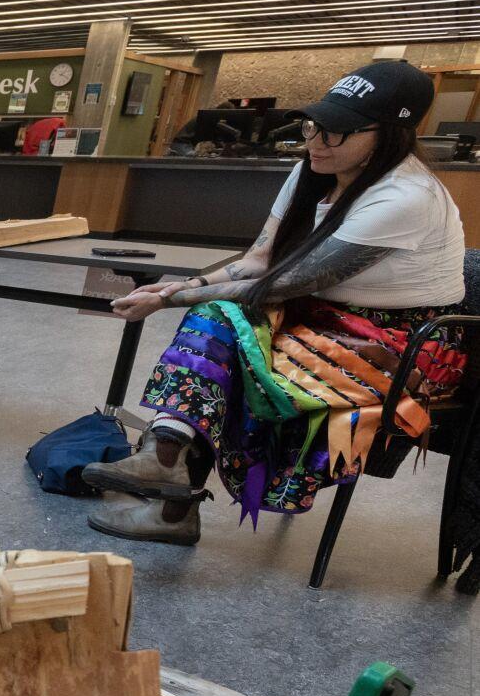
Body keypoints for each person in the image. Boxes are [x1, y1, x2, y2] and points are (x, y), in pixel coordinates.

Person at [83, 62, 467, 545]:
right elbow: (259, 261)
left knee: (228, 332)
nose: (317, 142)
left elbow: (280, 285)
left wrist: (173, 299)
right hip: (317, 314)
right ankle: (168, 456)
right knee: (226, 326)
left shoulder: (409, 196)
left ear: (391, 133)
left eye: (339, 132)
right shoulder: (314, 169)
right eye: (314, 126)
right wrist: (175, 287)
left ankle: (169, 488)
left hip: (401, 343)